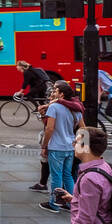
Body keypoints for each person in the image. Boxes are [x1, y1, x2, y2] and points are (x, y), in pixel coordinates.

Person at [39, 81, 82, 213]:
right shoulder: (76, 107)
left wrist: (44, 145)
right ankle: (71, 203)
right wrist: (80, 146)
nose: (53, 93)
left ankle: (54, 203)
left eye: (55, 91)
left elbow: (50, 128)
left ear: (61, 94)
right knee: (67, 175)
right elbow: (83, 128)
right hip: (70, 147)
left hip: (56, 147)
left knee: (56, 176)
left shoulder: (54, 107)